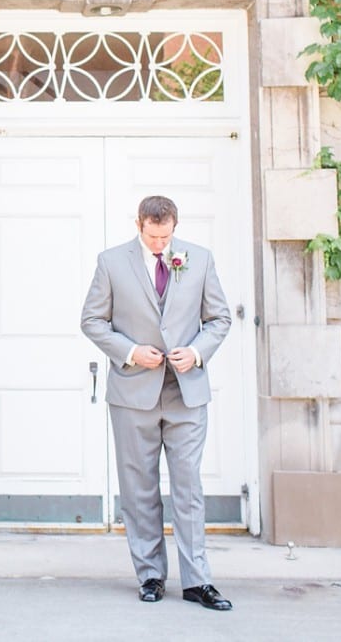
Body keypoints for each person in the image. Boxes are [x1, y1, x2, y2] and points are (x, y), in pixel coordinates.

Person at [80, 195, 233, 610]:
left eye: (166, 236)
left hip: (186, 393)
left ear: (174, 227)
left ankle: (198, 582)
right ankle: (150, 576)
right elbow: (92, 320)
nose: (160, 245)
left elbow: (219, 318)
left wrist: (198, 352)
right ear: (139, 225)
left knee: (189, 488)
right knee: (139, 490)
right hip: (133, 394)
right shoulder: (111, 262)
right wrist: (131, 352)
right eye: (152, 236)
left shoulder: (199, 259)